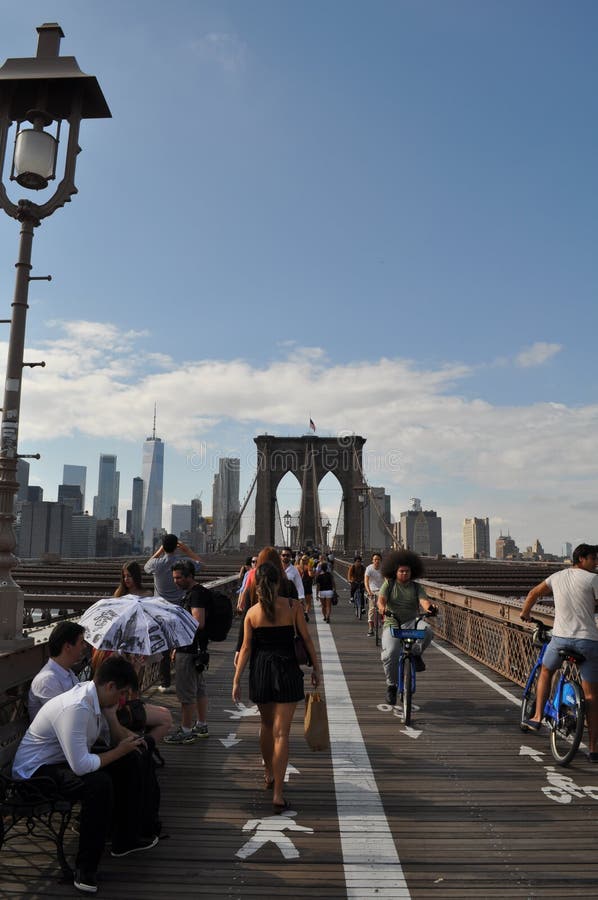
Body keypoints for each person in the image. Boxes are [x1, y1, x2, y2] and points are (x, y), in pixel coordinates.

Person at [13, 656, 159, 895]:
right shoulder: (77, 707)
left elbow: (106, 743)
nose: (122, 700)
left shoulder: (95, 699)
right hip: (32, 775)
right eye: (122, 693)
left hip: (59, 761)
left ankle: (124, 838)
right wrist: (120, 750)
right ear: (110, 686)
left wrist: (117, 729)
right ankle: (85, 868)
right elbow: (82, 766)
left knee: (129, 760)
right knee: (99, 784)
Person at [232, 561, 320, 812]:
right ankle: (278, 794)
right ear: (279, 581)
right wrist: (316, 668)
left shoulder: (252, 613)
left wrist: (236, 680)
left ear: (256, 584)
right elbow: (306, 639)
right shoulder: (293, 606)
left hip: (261, 671)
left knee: (266, 725)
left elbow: (246, 648)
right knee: (282, 734)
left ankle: (268, 773)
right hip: (287, 670)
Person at [520, 543, 598, 760]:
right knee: (592, 696)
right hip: (587, 641)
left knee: (546, 671)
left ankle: (537, 716)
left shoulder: (556, 577)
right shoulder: (594, 579)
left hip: (561, 639)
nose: (596, 562)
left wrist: (525, 613)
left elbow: (534, 593)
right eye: (593, 559)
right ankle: (594, 748)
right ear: (581, 559)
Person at [377, 550, 437, 705]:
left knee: (427, 631)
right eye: (401, 571)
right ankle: (391, 686)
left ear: (412, 572)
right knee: (391, 653)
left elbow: (423, 601)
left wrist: (430, 608)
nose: (404, 574)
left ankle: (416, 653)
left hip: (412, 622)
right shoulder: (389, 585)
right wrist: (382, 608)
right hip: (393, 623)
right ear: (395, 572)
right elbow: (381, 600)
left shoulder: (416, 587)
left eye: (407, 571)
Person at [144, 534, 202, 692]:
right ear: (176, 547)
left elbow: (146, 566)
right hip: (180, 610)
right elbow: (201, 564)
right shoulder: (184, 563)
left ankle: (165, 683)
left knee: (164, 647)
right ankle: (183, 677)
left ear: (163, 546)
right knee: (181, 644)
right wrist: (187, 550)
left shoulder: (156, 564)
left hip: (160, 611)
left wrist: (159, 551)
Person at [164, 560, 211, 744]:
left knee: (186, 693)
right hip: (196, 649)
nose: (175, 581)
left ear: (189, 576)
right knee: (199, 689)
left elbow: (198, 622)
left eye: (178, 578)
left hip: (189, 650)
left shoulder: (196, 594)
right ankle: (201, 725)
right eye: (174, 577)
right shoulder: (197, 592)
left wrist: (176, 632)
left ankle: (185, 730)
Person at [28, 621, 86, 721]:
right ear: (67, 647)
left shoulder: (66, 672)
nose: (85, 646)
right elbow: (63, 719)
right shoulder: (47, 680)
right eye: (81, 643)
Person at [364, 553, 385, 638]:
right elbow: (366, 581)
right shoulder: (369, 568)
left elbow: (387, 580)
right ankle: (371, 628)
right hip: (372, 590)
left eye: (378, 559)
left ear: (381, 560)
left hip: (382, 590)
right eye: (375, 559)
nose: (377, 561)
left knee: (385, 608)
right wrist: (369, 591)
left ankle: (385, 624)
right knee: (372, 609)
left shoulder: (383, 569)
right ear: (372, 560)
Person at [280, 547, 306, 613]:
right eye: (283, 555)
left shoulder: (294, 570)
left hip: (290, 599)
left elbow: (299, 585)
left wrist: (301, 598)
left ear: (290, 556)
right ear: (281, 556)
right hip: (278, 599)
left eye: (287, 555)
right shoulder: (276, 569)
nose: (285, 557)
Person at [297, 555, 314, 622]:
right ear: (307, 560)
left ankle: (302, 611)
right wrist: (313, 572)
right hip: (307, 585)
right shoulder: (308, 566)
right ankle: (306, 612)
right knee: (308, 602)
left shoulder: (297, 567)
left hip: (299, 586)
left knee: (300, 601)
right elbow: (311, 575)